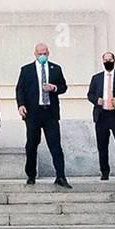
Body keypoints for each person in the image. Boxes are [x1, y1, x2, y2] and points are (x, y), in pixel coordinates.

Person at [15, 42, 71, 188]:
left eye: (44, 53)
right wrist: (21, 105)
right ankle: (31, 175)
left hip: (50, 113)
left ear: (48, 53)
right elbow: (20, 89)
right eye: (39, 53)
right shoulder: (26, 70)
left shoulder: (56, 69)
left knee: (55, 145)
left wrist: (55, 88)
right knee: (32, 145)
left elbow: (64, 87)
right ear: (35, 54)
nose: (42, 56)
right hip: (33, 113)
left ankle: (61, 176)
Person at [87, 51, 115, 181]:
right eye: (105, 60)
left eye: (110, 59)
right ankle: (104, 172)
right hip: (102, 116)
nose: (108, 62)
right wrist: (97, 100)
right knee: (102, 145)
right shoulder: (97, 78)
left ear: (114, 60)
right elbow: (90, 94)